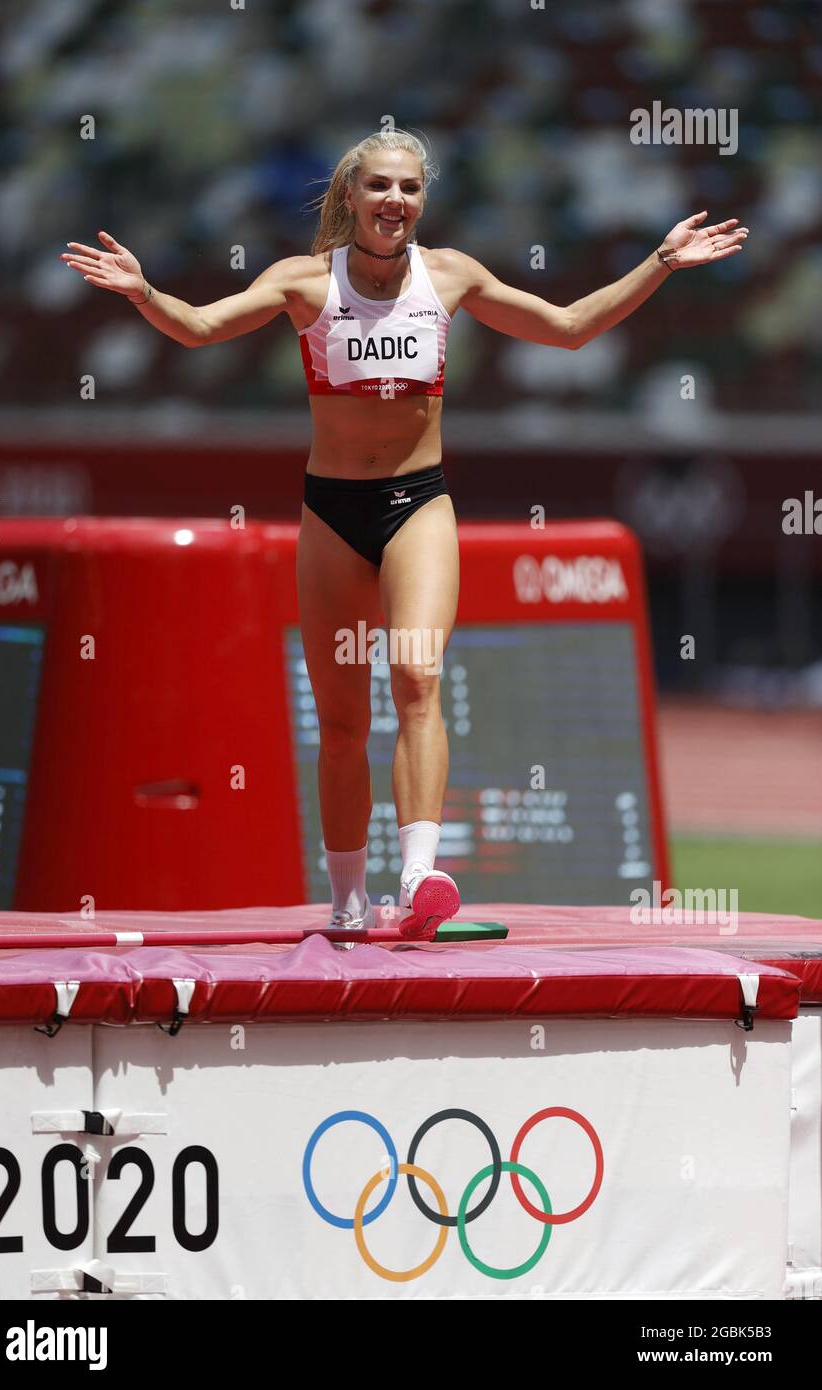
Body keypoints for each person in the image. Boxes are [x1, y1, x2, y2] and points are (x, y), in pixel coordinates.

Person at [61, 128, 748, 945]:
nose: (395, 201)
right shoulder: (305, 281)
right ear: (351, 194)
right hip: (331, 514)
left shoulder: (449, 275)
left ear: (424, 199)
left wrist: (659, 262)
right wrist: (145, 292)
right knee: (342, 721)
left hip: (417, 504)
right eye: (380, 186)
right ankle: (347, 896)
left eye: (410, 189)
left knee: (417, 674)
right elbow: (201, 328)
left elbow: (567, 327)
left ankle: (421, 872)